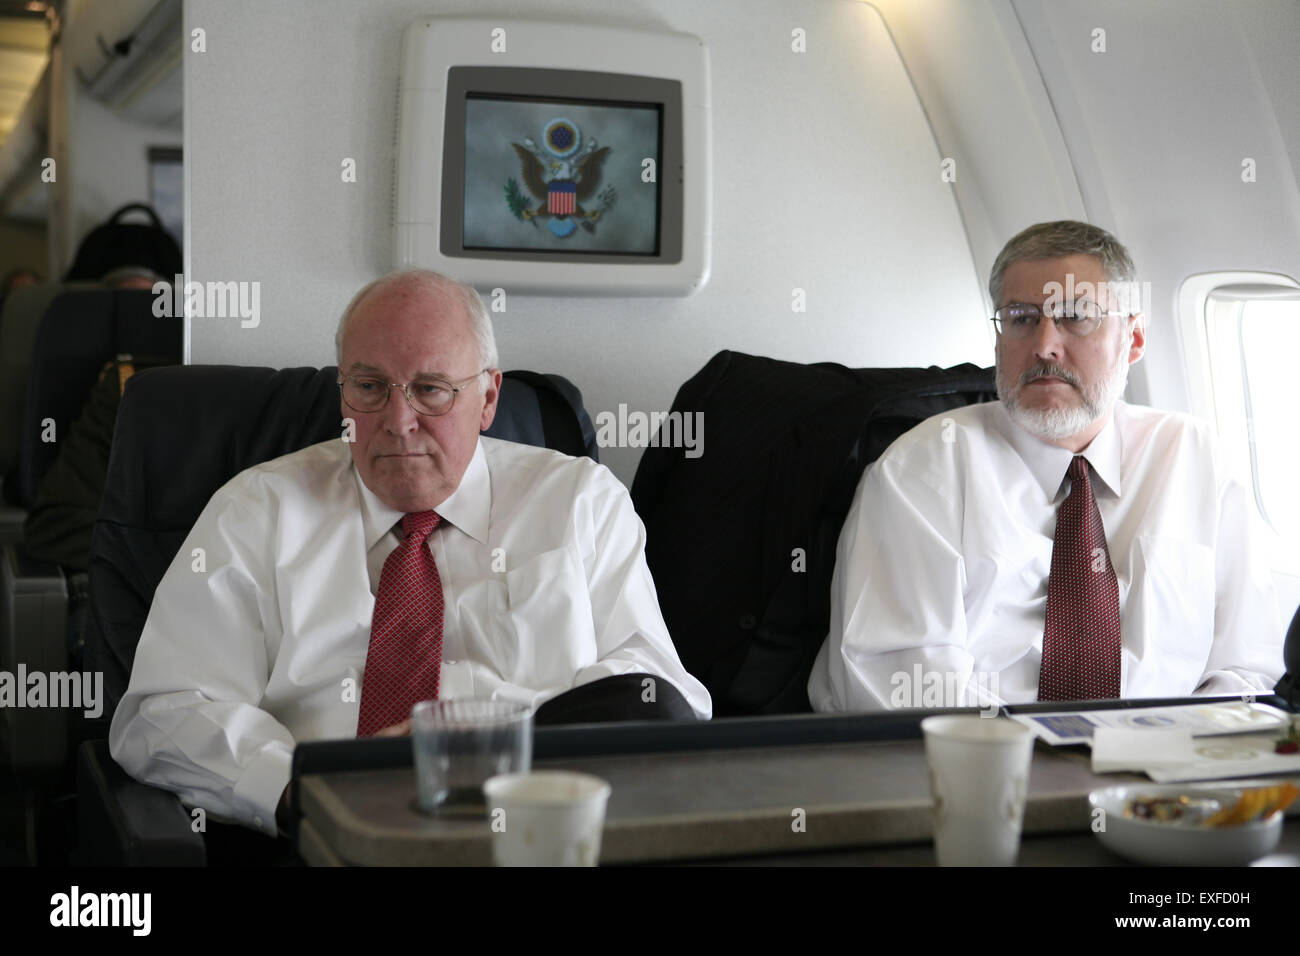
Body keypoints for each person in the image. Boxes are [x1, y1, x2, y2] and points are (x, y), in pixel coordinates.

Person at [110, 269, 710, 837]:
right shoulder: (256, 510)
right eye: (370, 388)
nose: (398, 421)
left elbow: (659, 692)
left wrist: (471, 745)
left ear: (488, 397)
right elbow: (166, 711)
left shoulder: (578, 502)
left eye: (431, 390)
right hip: (326, 835)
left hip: (533, 828)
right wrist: (311, 785)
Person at [808, 220, 1284, 712]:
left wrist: (1187, 759)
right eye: (1020, 318)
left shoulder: (1194, 456)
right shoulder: (924, 469)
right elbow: (895, 682)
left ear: (1134, 338)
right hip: (983, 765)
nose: (1044, 345)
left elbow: (1249, 668)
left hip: (1167, 767)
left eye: (1075, 315)